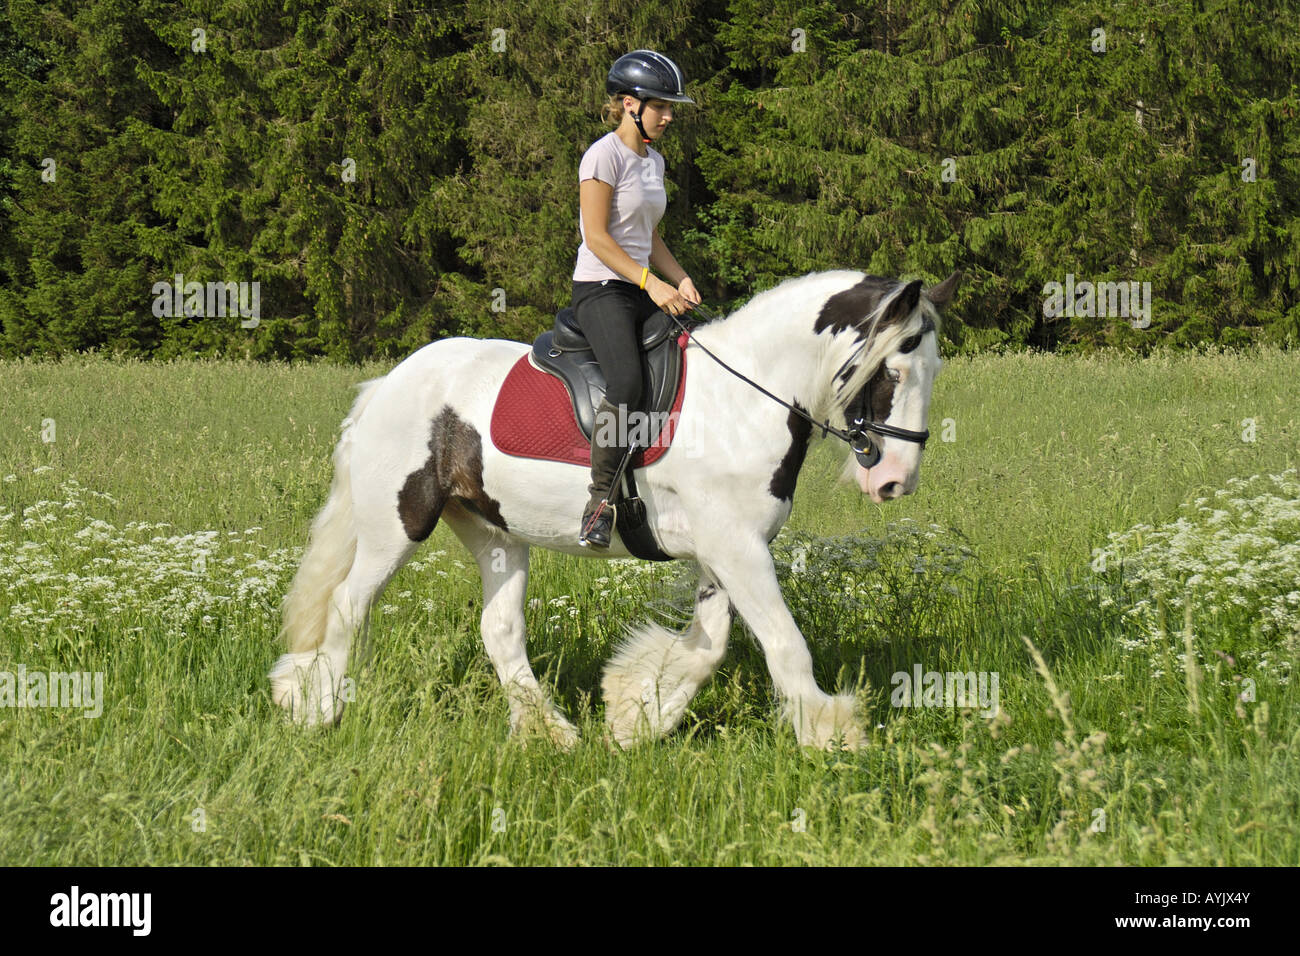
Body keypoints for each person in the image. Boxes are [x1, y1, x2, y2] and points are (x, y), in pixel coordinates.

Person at [574, 49, 701, 548]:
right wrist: (652, 283)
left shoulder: (655, 160)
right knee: (626, 380)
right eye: (661, 106)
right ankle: (600, 501)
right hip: (601, 287)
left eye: (671, 107)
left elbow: (648, 237)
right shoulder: (602, 156)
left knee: (696, 348)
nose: (669, 115)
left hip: (642, 281)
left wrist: (681, 277)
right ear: (630, 104)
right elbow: (598, 238)